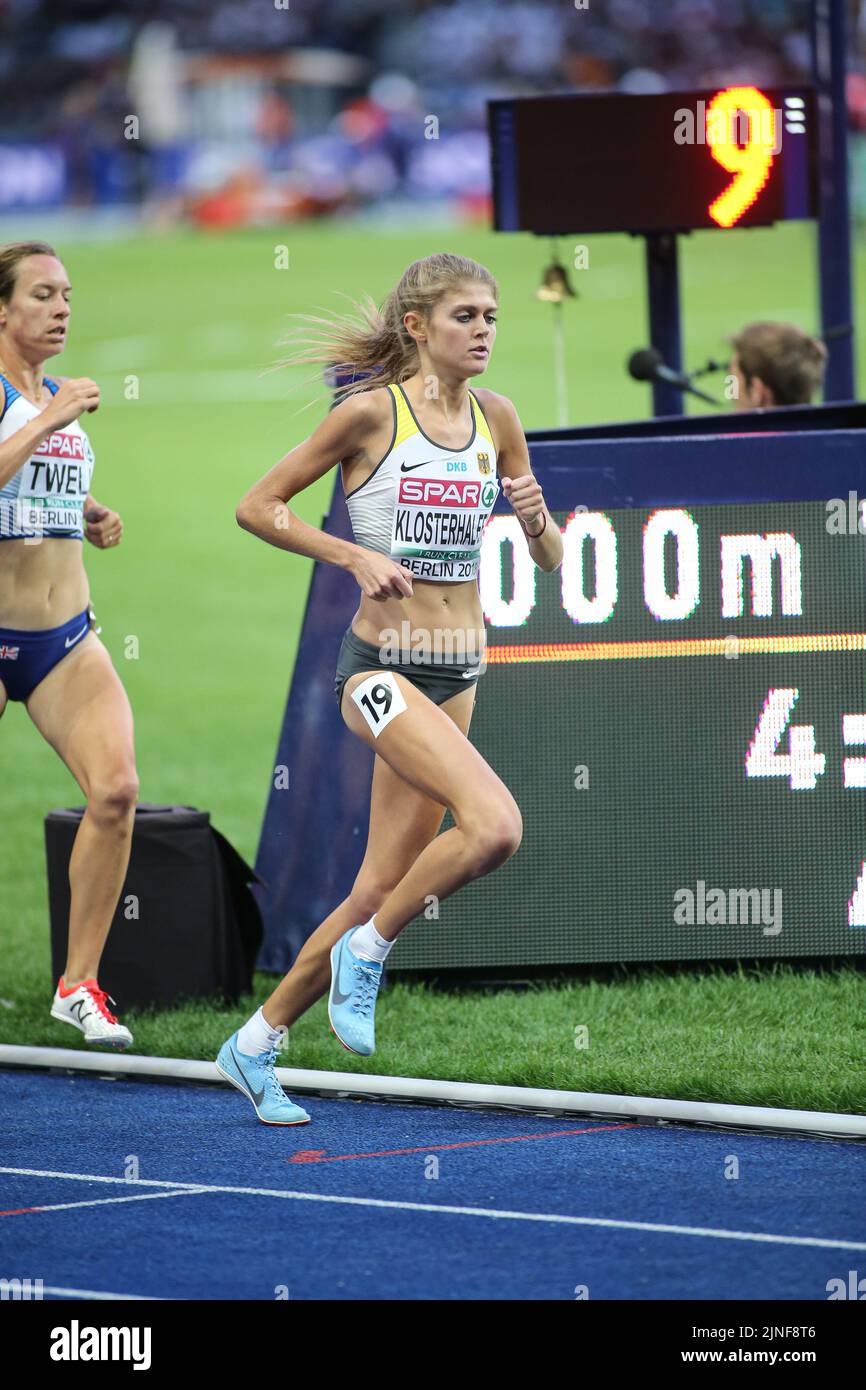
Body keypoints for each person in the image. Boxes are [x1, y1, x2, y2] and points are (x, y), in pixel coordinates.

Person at [216, 251, 563, 1124]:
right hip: (380, 669)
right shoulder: (372, 413)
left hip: (459, 671)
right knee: (495, 828)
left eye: (491, 317)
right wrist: (353, 552)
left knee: (379, 883)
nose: (484, 332)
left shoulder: (498, 417)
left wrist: (536, 522)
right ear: (418, 327)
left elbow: (550, 557)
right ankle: (366, 957)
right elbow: (258, 505)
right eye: (466, 317)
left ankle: (254, 1043)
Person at [0, 240, 138, 1049]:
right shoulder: (40, 401)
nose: (61, 309)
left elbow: (36, 481)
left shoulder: (49, 395)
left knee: (116, 791)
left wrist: (87, 509)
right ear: (3, 309)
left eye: (68, 297)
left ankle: (78, 985)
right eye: (44, 295)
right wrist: (52, 417)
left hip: (64, 635)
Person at [729, 321, 827, 409]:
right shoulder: (831, 426)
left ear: (757, 393)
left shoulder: (727, 429)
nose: (730, 396)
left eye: (732, 382)